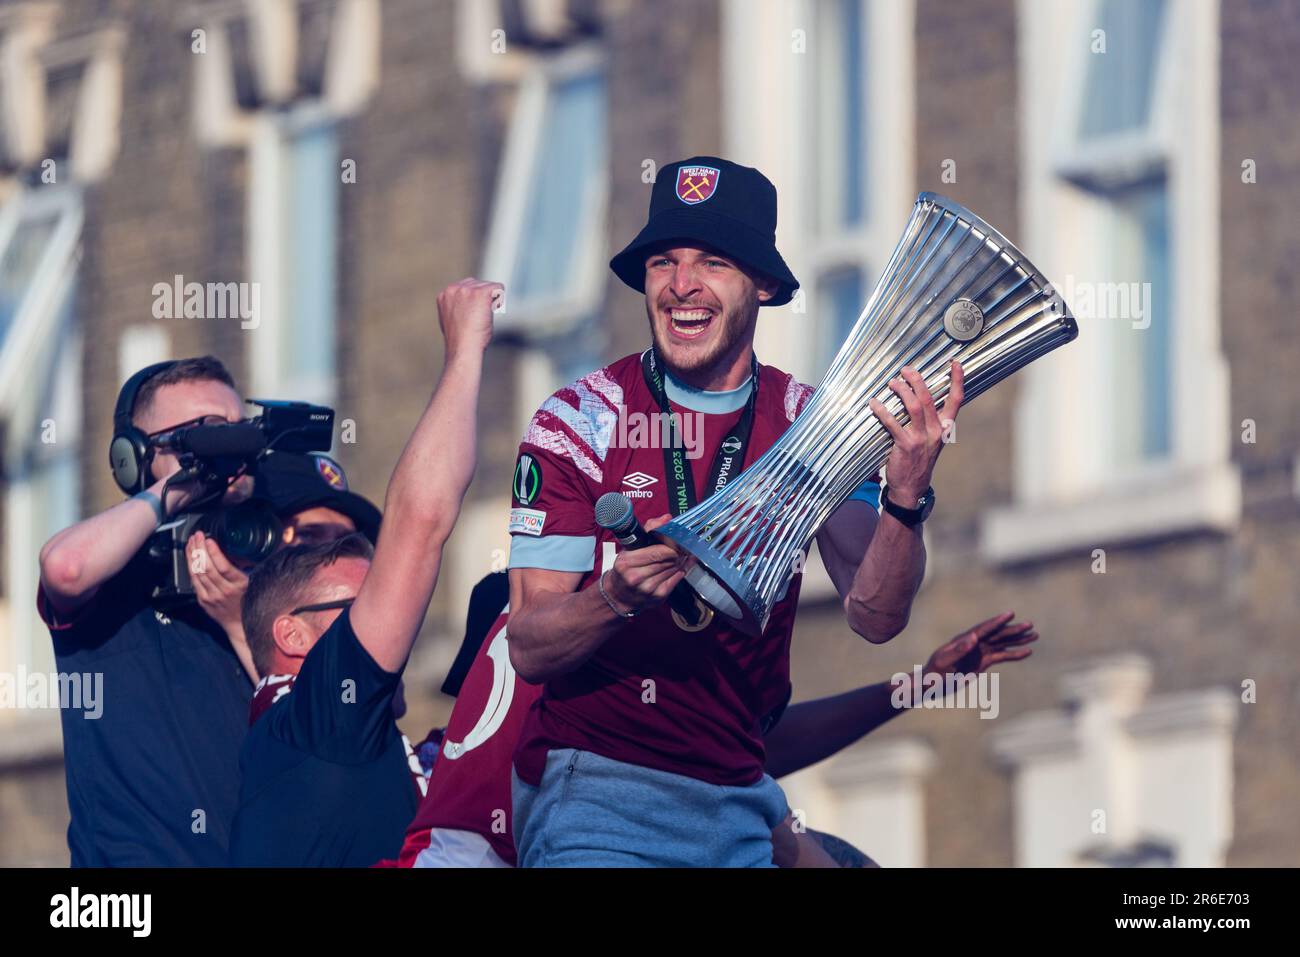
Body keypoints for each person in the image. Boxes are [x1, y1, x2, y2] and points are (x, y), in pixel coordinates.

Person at [506, 156, 966, 867]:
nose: (681, 284)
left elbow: (876, 615)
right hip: (598, 795)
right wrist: (615, 596)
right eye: (664, 261)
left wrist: (906, 498)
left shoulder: (812, 425)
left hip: (738, 801)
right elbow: (530, 646)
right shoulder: (578, 418)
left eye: (713, 262)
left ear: (765, 286)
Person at [396, 569, 1035, 867]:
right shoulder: (603, 656)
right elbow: (746, 790)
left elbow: (745, 755)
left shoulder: (457, 760)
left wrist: (915, 688)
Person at [228, 277, 496, 867]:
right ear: (291, 634)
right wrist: (463, 352)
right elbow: (419, 524)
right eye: (359, 606)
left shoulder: (345, 742)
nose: (391, 617)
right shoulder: (313, 721)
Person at [38, 357, 259, 866]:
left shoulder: (272, 559)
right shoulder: (114, 576)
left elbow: (312, 721)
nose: (231, 449)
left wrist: (240, 620)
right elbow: (65, 568)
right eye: (205, 434)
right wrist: (185, 483)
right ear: (133, 458)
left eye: (238, 430)